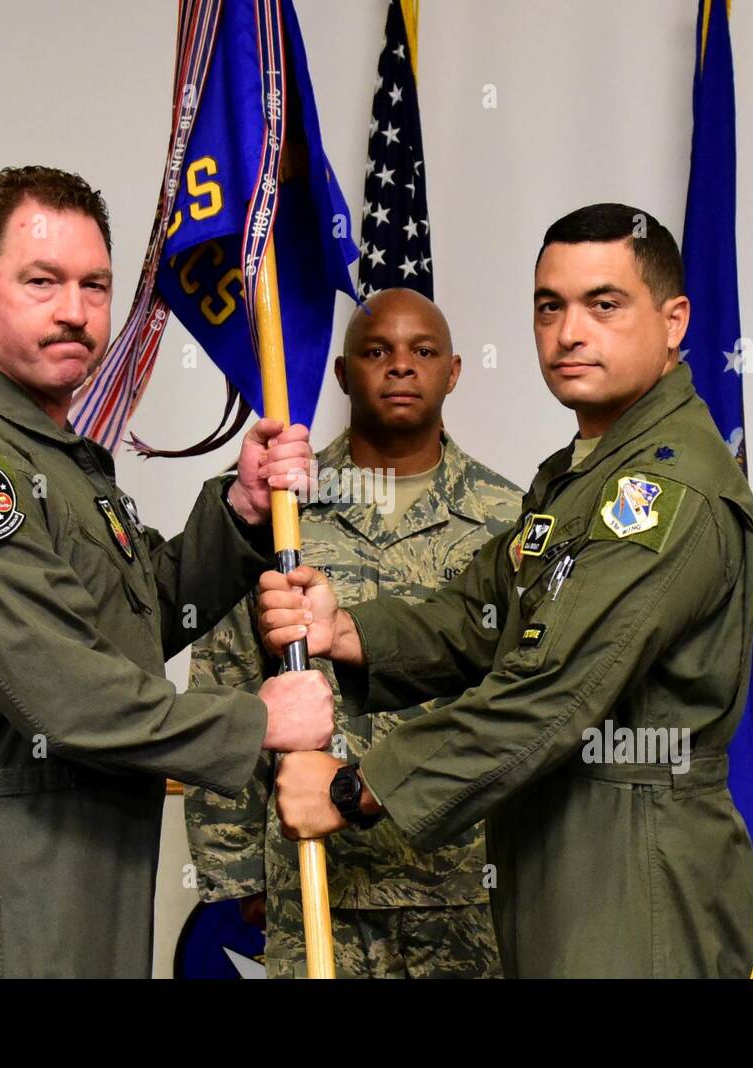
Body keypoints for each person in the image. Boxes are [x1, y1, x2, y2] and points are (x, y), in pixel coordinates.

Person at [0, 165, 333, 978]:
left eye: (94, 285)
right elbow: (67, 694)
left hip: (71, 878)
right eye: (42, 282)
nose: (74, 311)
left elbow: (133, 624)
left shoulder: (54, 456)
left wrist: (240, 512)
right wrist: (258, 723)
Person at [261, 204, 753, 979]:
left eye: (604, 304)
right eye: (548, 306)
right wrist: (346, 631)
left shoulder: (664, 489)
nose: (568, 333)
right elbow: (478, 617)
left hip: (635, 872)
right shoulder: (578, 479)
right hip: (558, 855)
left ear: (673, 321)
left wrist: (360, 788)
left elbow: (553, 689)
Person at [185, 288, 521, 978]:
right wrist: (237, 872)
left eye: (423, 351)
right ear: (341, 374)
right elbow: (224, 680)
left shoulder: (510, 519)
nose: (401, 367)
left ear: (454, 371)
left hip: (461, 888)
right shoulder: (281, 509)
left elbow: (526, 698)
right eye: (377, 351)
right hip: (311, 876)